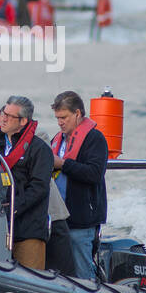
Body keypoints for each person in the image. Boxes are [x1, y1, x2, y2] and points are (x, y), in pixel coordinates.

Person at [0, 96, 52, 270]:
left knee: (30, 278)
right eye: (3, 113)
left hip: (28, 229)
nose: (3, 119)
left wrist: (12, 208)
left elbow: (39, 188)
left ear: (23, 121)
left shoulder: (40, 149)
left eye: (9, 116)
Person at [49, 91, 109, 280]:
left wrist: (63, 164)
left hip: (82, 219)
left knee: (83, 273)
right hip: (58, 219)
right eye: (57, 118)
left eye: (64, 117)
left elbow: (94, 173)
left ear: (77, 113)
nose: (60, 122)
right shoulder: (56, 140)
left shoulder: (95, 138)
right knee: (59, 271)